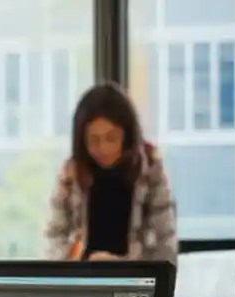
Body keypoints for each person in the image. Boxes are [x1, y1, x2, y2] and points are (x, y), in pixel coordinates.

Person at [45, 83, 177, 263]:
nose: (103, 148)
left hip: (136, 281)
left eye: (112, 138)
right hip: (83, 280)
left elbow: (165, 242)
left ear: (127, 135)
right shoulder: (71, 174)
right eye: (94, 140)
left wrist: (121, 266)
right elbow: (53, 237)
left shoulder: (150, 168)